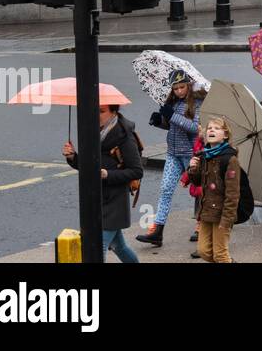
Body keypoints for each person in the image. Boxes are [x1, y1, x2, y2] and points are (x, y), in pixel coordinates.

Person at [62, 103, 142, 263]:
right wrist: (72, 157)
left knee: (98, 247)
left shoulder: (125, 136)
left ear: (114, 112)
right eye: (95, 110)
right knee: (119, 246)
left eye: (102, 111)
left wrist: (107, 174)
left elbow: (136, 171)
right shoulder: (95, 132)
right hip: (98, 198)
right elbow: (89, 167)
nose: (97, 115)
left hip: (114, 201)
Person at [137, 69, 201, 247]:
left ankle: (202, 225)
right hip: (173, 153)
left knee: (199, 190)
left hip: (191, 154)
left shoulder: (197, 102)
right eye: (176, 88)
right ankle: (157, 230)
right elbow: (173, 127)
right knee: (165, 189)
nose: (179, 91)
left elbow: (195, 128)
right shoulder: (172, 103)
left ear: (188, 85)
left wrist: (172, 116)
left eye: (182, 87)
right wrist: (160, 121)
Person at [190, 116, 242, 263]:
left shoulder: (230, 160)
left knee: (220, 254)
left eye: (217, 128)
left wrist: (227, 219)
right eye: (209, 128)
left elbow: (233, 194)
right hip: (207, 211)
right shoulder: (205, 155)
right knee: (204, 251)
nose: (211, 130)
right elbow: (197, 182)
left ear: (225, 135)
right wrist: (193, 168)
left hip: (222, 214)